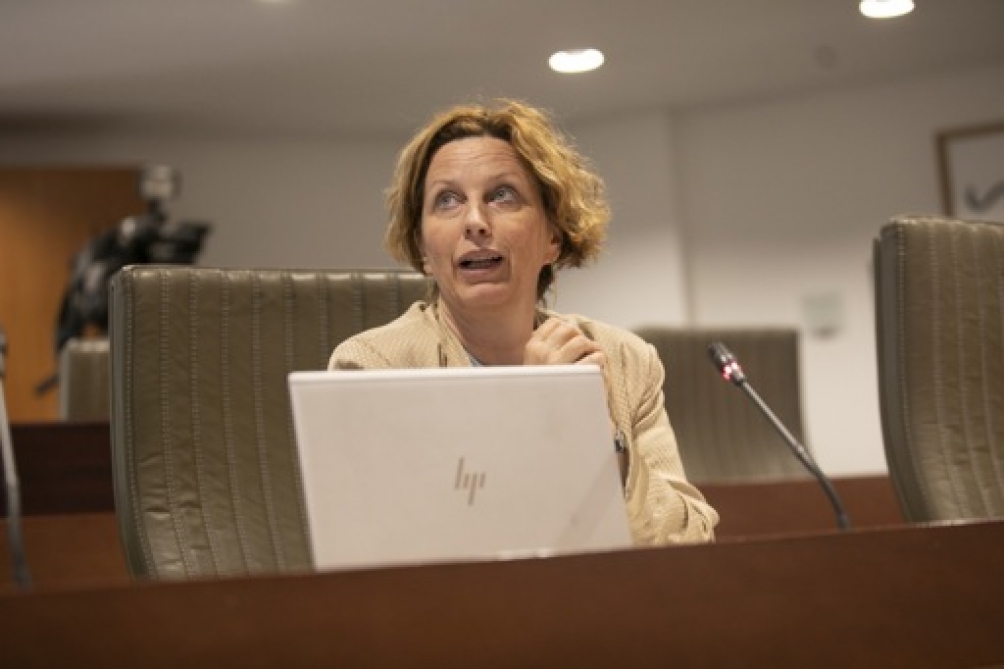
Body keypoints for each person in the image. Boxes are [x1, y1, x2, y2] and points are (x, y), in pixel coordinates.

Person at [329, 99, 718, 545]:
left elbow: (691, 544)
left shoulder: (625, 361)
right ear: (422, 247)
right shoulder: (373, 370)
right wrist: (528, 414)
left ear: (554, 235)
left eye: (502, 195)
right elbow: (386, 552)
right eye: (448, 200)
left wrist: (600, 439)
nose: (475, 221)